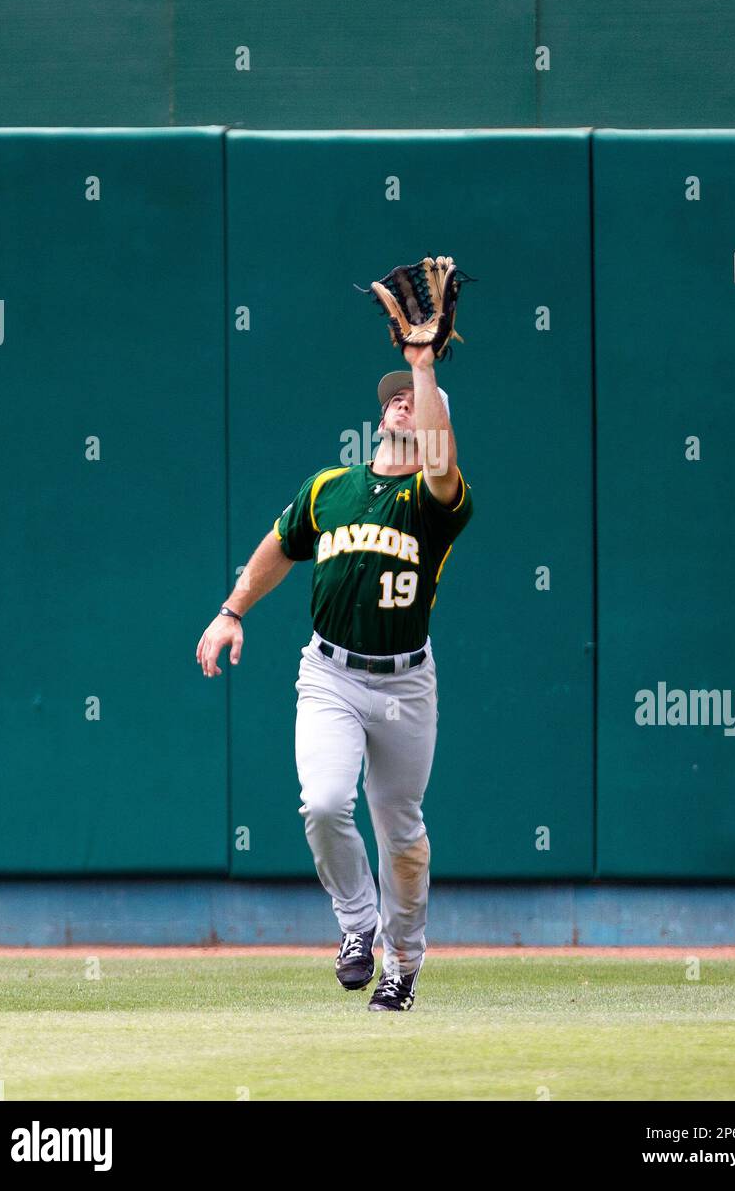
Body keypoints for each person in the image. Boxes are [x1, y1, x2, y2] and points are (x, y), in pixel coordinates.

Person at [196, 347, 473, 1011]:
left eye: (417, 397)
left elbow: (439, 461)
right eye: (395, 393)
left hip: (405, 686)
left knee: (400, 831)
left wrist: (427, 366)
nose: (402, 398)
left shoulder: (434, 501)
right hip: (329, 674)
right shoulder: (330, 487)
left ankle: (404, 964)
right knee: (323, 802)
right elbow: (281, 544)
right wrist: (233, 609)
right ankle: (357, 928)